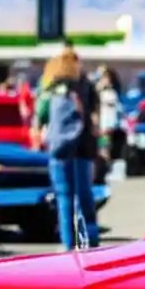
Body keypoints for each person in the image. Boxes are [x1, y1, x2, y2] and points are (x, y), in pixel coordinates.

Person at [33, 49, 100, 251]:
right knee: (85, 197)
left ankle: (68, 244)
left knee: (64, 197)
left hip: (60, 149)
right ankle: (92, 242)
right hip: (83, 148)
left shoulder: (50, 88)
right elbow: (95, 120)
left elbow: (40, 116)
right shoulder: (86, 87)